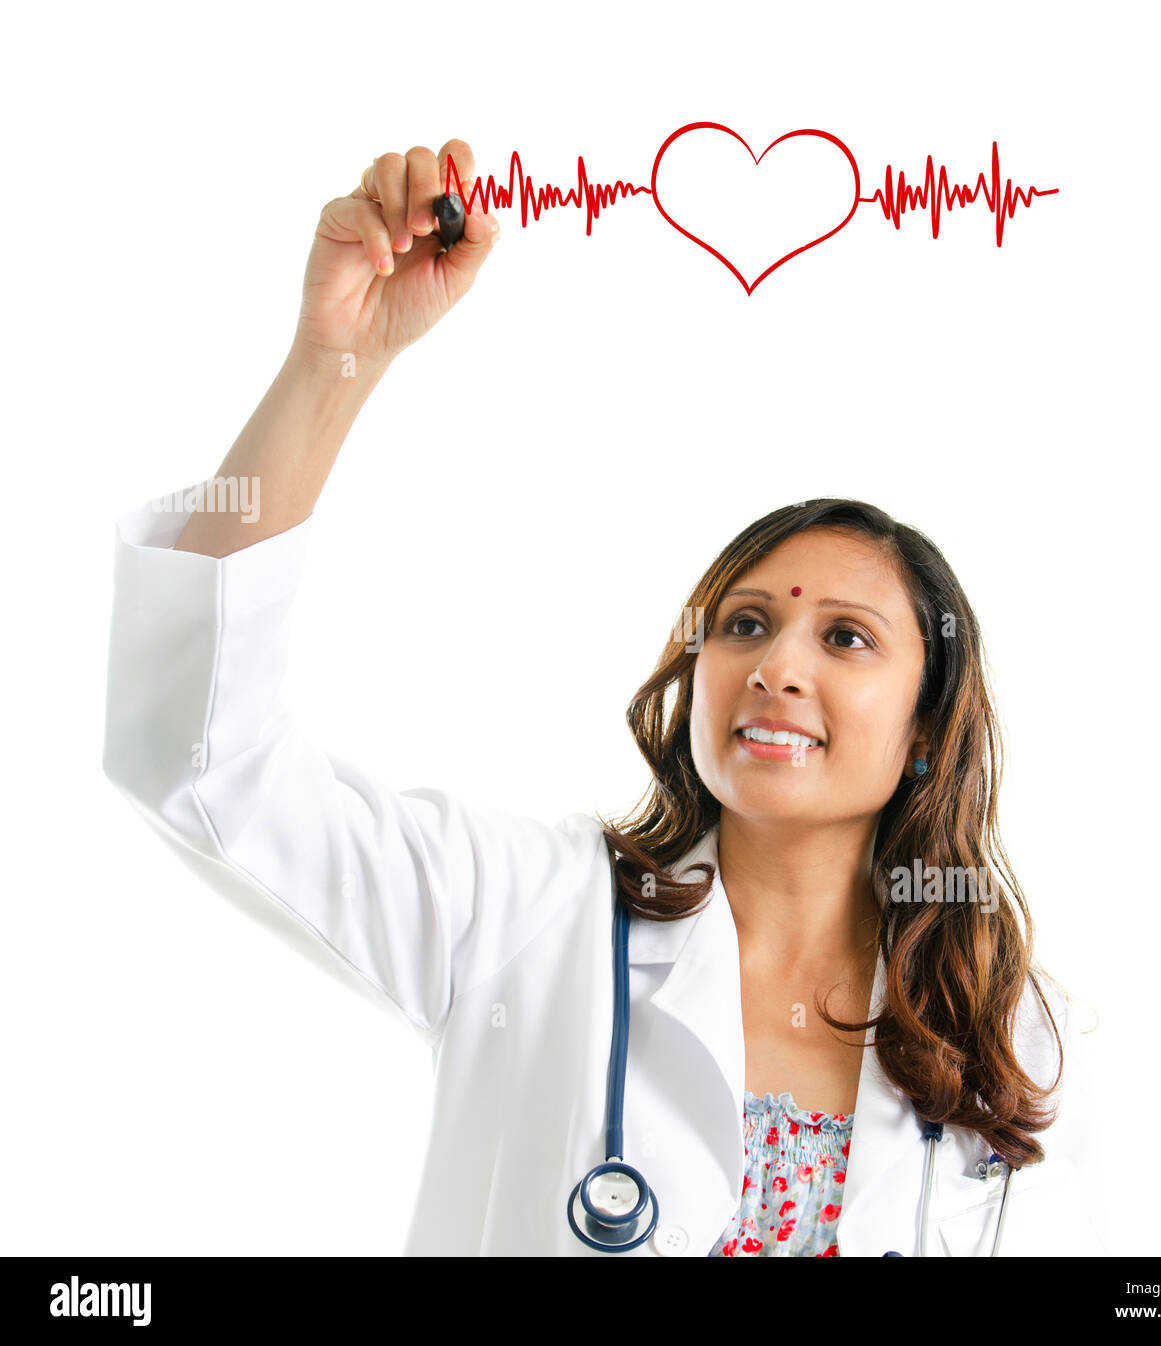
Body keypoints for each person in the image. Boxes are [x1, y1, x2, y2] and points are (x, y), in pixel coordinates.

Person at [102, 140, 1105, 1257]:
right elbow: (201, 763)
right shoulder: (530, 914)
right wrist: (333, 360)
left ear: (925, 727)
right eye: (744, 624)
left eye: (846, 637)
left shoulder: (1014, 1036)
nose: (777, 665)